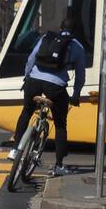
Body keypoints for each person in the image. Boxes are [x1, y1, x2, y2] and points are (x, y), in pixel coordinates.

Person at [9, 16, 86, 176]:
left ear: (60, 27)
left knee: (26, 112)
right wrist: (75, 95)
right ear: (75, 31)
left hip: (34, 82)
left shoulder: (46, 37)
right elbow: (80, 76)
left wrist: (27, 77)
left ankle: (15, 150)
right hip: (56, 87)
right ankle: (58, 165)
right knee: (60, 125)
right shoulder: (77, 46)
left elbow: (31, 59)